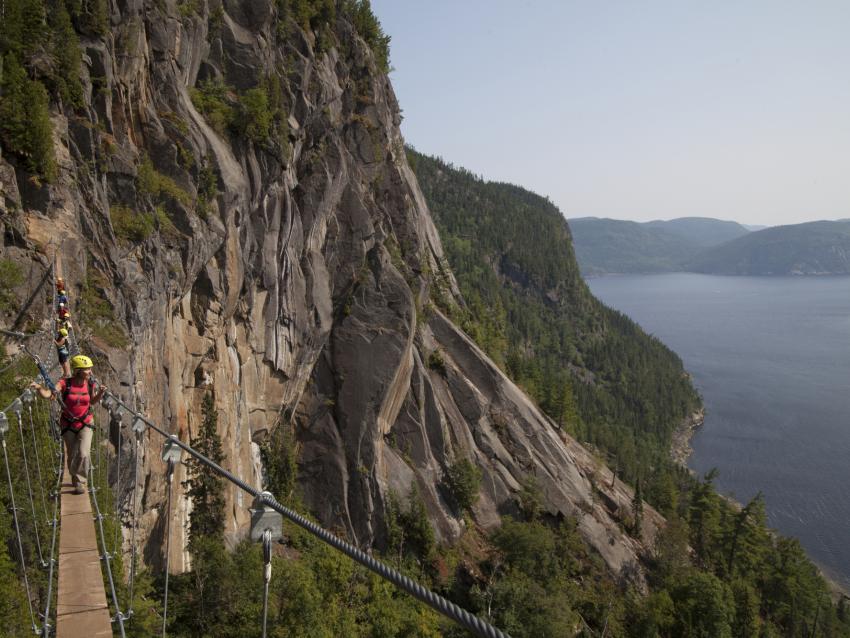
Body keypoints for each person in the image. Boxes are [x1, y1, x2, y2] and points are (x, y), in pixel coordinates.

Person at [31, 355, 107, 494]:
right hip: (68, 423)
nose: (90, 371)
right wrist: (39, 388)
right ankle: (74, 474)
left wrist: (101, 393)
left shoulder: (90, 384)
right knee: (72, 454)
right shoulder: (65, 383)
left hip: (86, 422)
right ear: (78, 370)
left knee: (84, 453)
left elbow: (92, 402)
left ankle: (80, 481)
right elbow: (49, 394)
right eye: (87, 369)